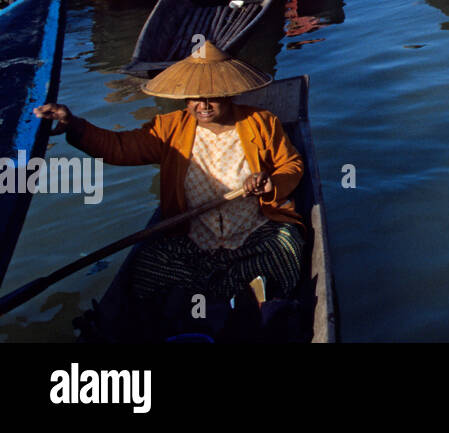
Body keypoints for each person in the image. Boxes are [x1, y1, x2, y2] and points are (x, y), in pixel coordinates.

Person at [35, 43, 307, 332]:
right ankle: (232, 303)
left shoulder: (260, 122)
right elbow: (119, 149)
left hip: (252, 233)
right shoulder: (169, 127)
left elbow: (291, 166)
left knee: (286, 246)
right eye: (194, 98)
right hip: (193, 240)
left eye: (212, 98)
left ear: (229, 94)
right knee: (150, 265)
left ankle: (223, 304)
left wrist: (269, 183)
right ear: (184, 99)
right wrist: (73, 124)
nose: (202, 106)